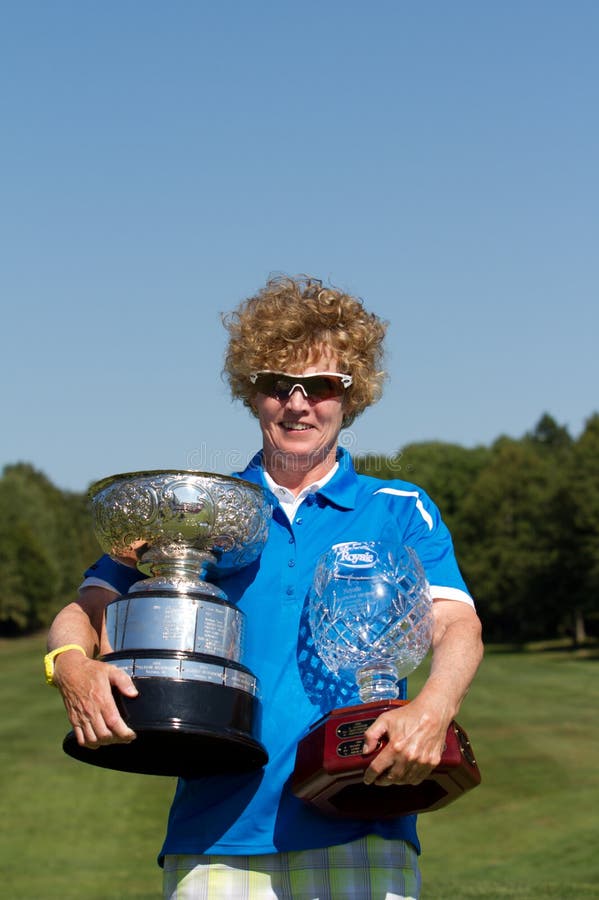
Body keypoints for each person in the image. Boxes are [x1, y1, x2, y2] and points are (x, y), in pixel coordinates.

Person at [46, 274, 483, 900]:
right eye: (279, 385)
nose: (299, 404)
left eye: (322, 386)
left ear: (350, 396)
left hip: (364, 820)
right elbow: (87, 609)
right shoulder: (203, 508)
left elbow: (457, 625)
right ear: (253, 394)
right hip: (217, 834)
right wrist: (68, 665)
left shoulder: (400, 506)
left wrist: (433, 711)